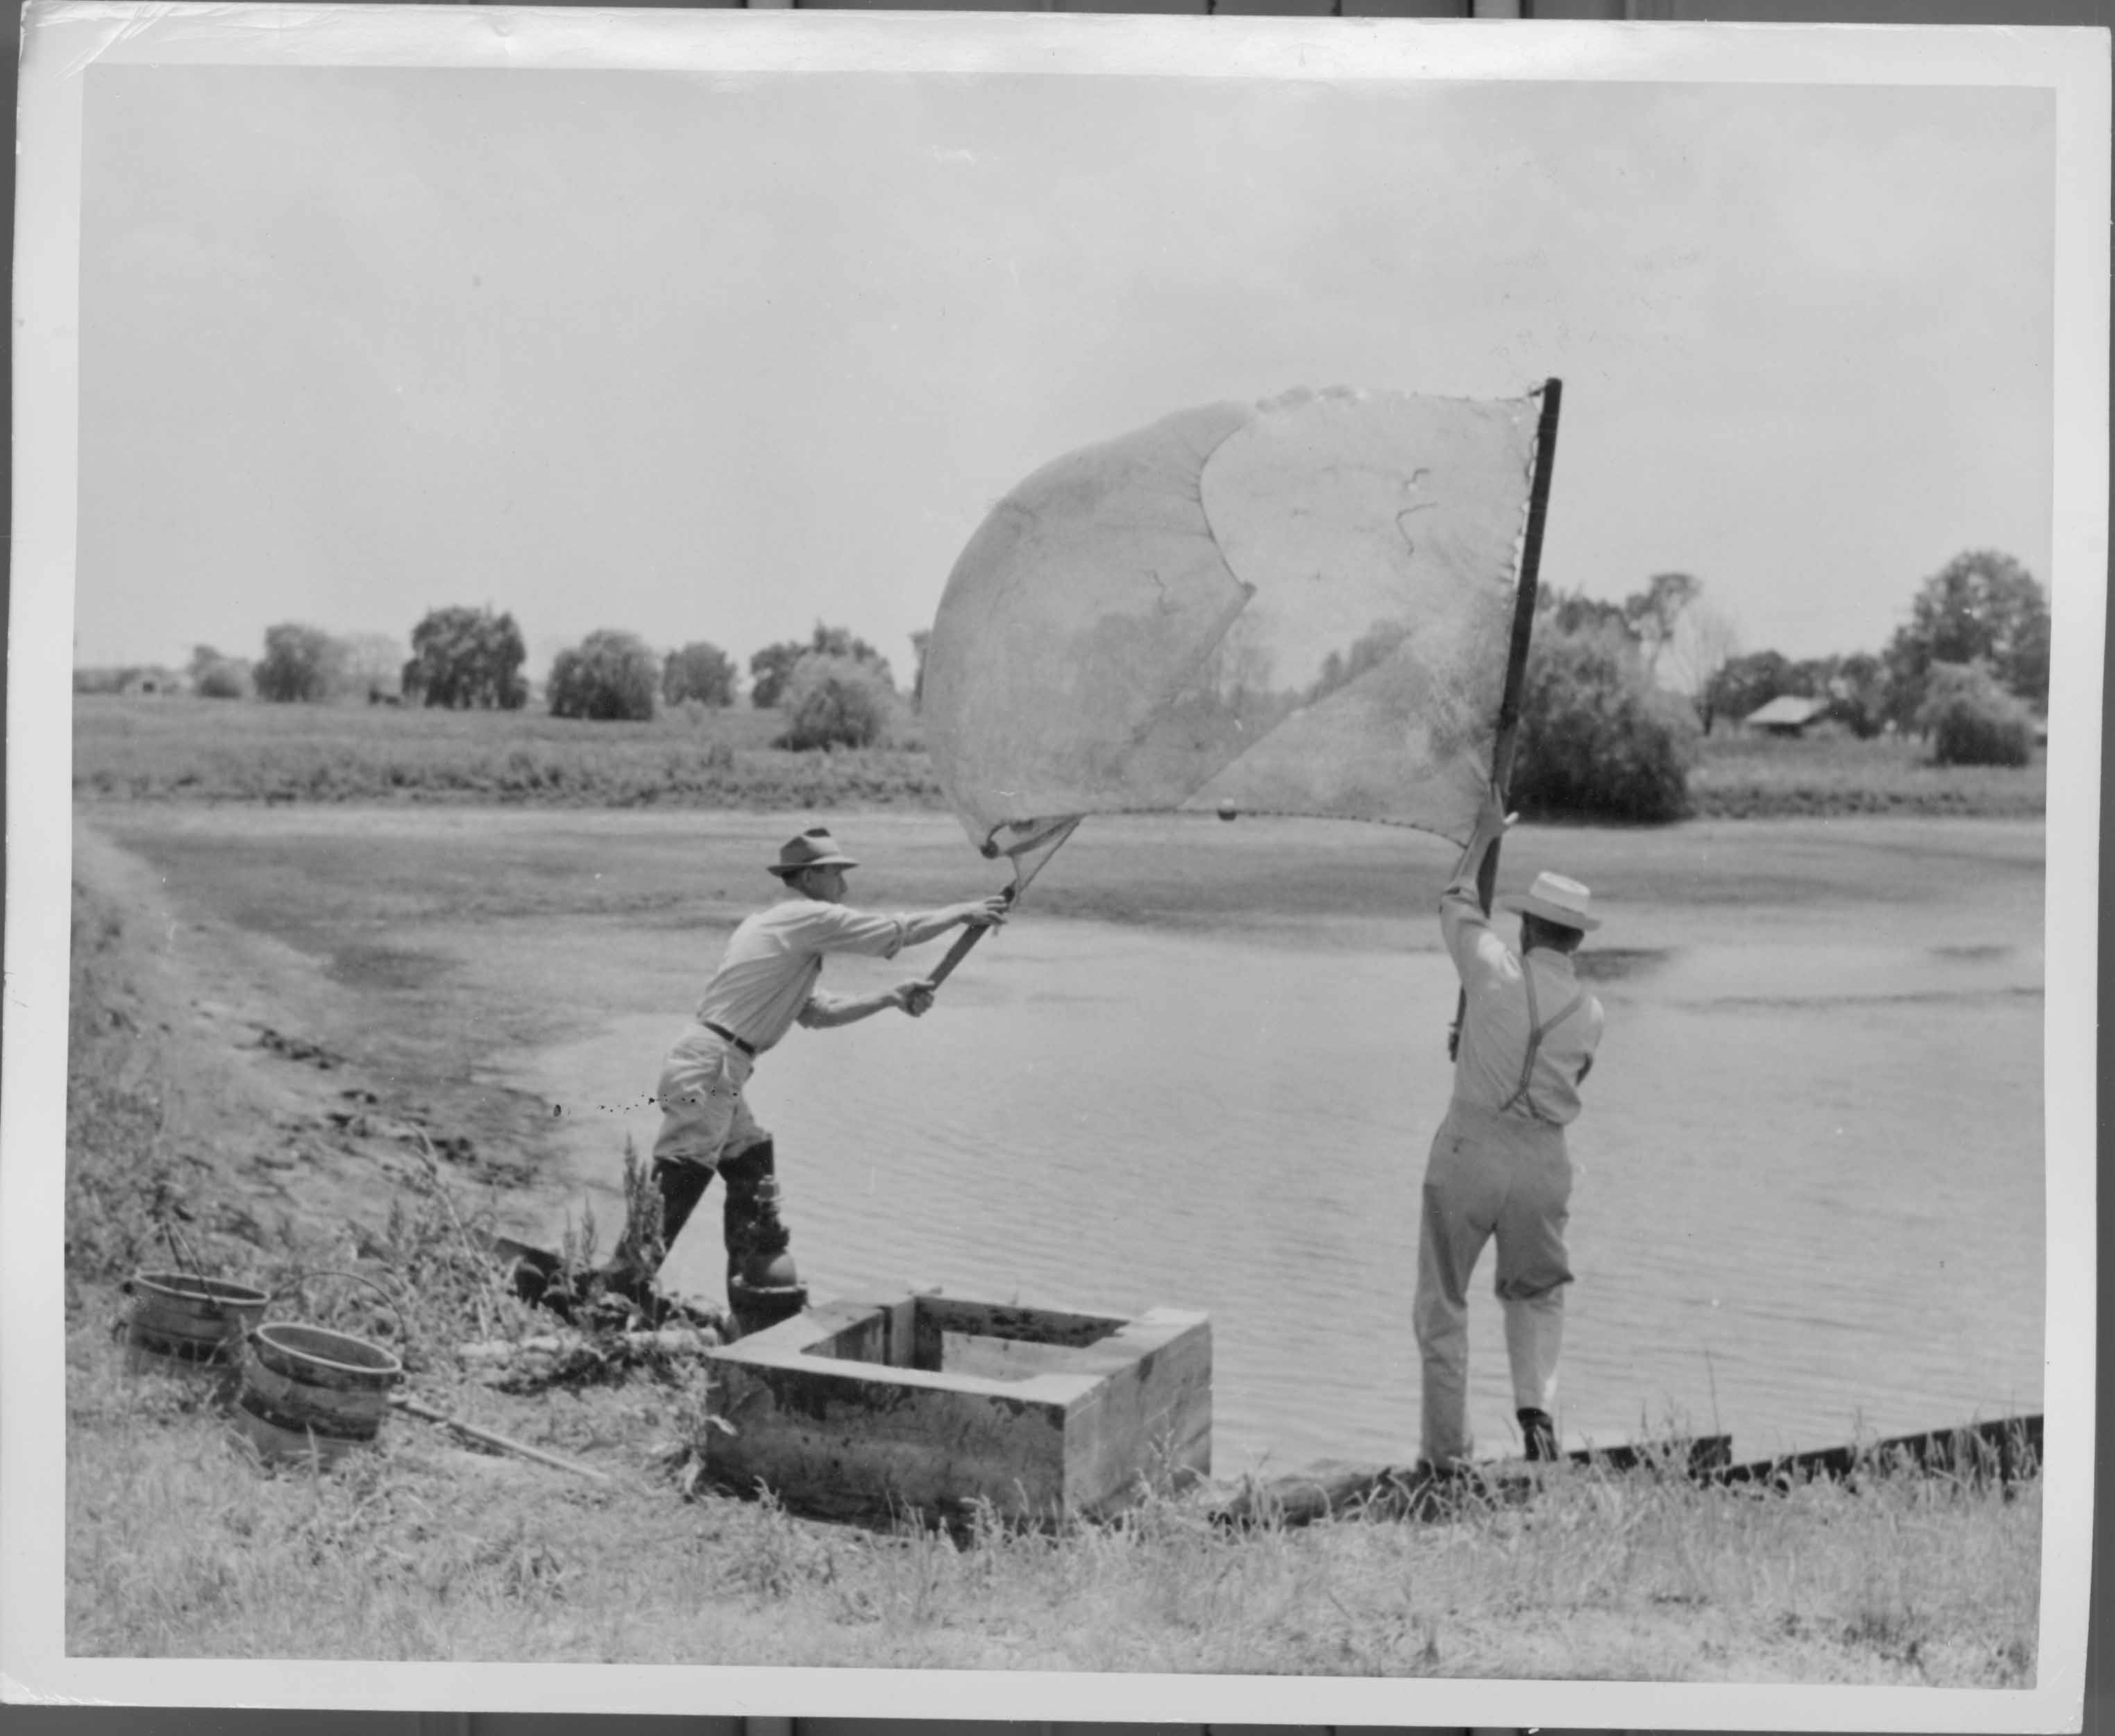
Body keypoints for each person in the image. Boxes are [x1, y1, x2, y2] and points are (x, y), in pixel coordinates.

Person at [615, 824, 1008, 1329]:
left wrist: (889, 997)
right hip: (712, 1061)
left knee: (752, 1161)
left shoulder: (783, 929)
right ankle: (619, 1293)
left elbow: (818, 1013)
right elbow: (893, 933)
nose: (843, 884)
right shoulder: (803, 917)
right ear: (809, 877)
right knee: (683, 1172)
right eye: (835, 874)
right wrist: (963, 912)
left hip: (718, 1062)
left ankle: (752, 1304)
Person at [1414, 784, 1605, 1472]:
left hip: (1471, 1149)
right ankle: (1536, 1415)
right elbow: (1558, 1082)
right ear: (1576, 937)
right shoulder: (1589, 1011)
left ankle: (1442, 1456)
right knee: (1537, 1294)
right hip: (1542, 1163)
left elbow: (1454, 901)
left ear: (1527, 928)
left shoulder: (1493, 968)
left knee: (1443, 1302)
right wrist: (1474, 1043)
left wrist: (1484, 835)